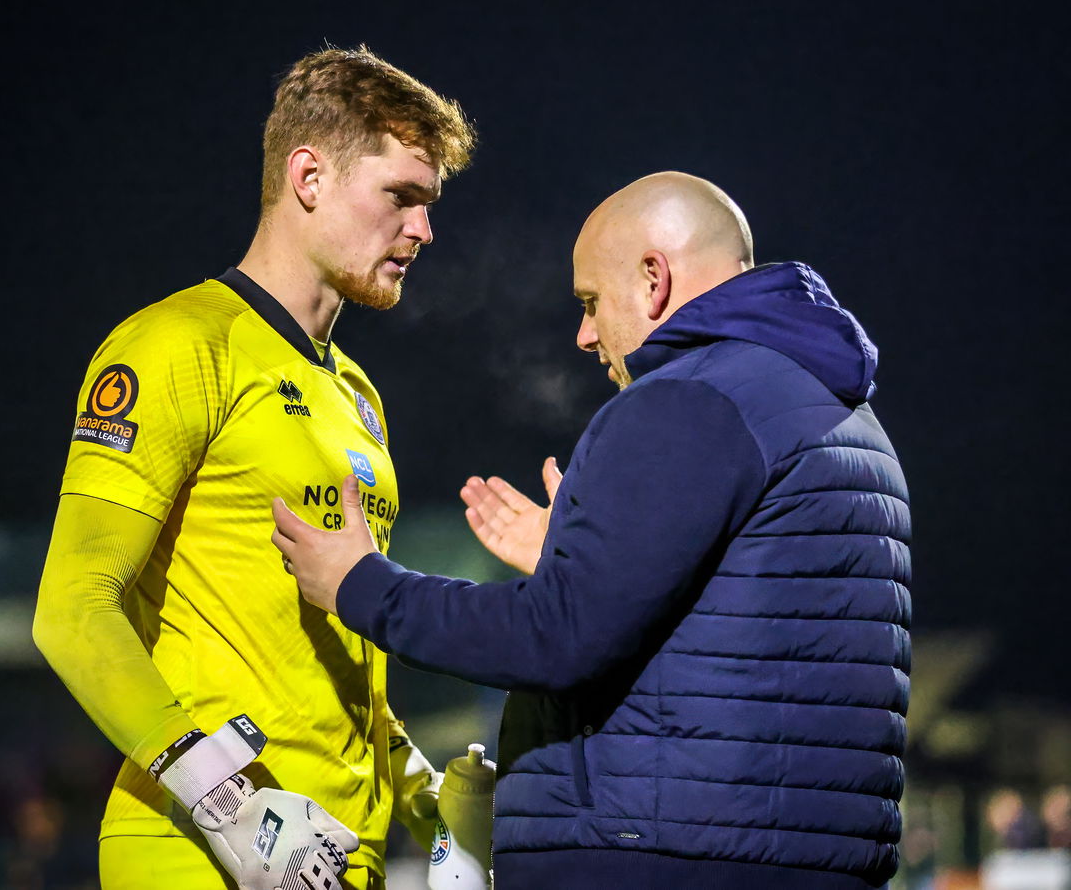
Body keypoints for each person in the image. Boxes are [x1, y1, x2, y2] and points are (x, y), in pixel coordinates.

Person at [273, 172, 913, 888]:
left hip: (657, 857)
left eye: (589, 302)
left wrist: (360, 584)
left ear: (653, 279)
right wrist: (582, 562)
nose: (583, 334)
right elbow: (760, 634)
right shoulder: (836, 410)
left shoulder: (688, 399)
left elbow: (554, 636)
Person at [32, 46, 476, 890]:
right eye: (401, 197)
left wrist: (431, 802)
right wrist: (228, 804)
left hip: (342, 860)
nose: (423, 229)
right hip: (195, 851)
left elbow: (339, 663)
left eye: (428, 205)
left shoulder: (358, 394)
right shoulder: (174, 344)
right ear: (308, 175)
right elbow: (71, 609)